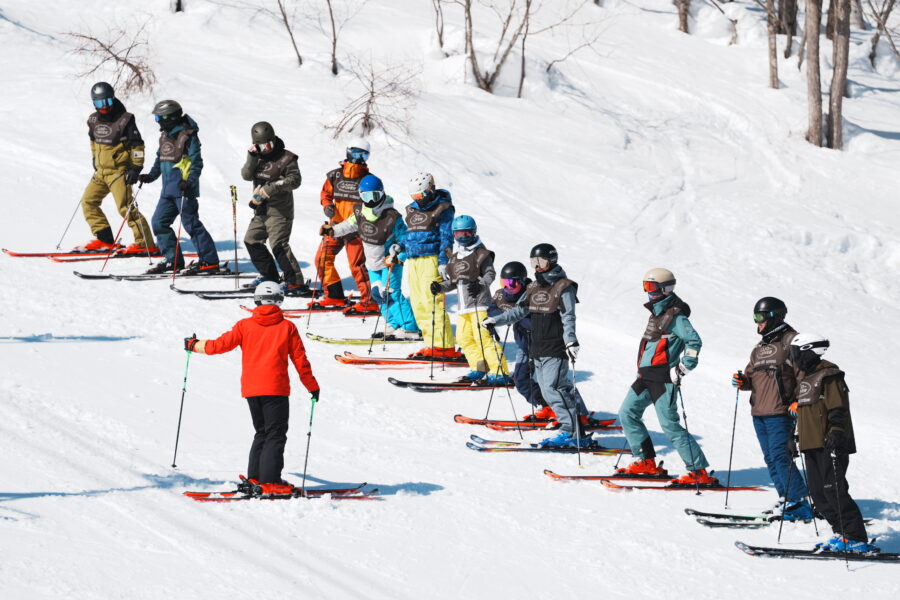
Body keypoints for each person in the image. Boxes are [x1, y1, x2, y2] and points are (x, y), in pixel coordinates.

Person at [184, 281, 320, 494]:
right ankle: (270, 481)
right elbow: (300, 360)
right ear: (280, 300)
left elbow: (218, 346)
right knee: (275, 433)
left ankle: (255, 477)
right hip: (275, 389)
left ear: (257, 300)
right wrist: (312, 386)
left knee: (262, 432)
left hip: (251, 390)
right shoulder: (287, 328)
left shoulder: (244, 326)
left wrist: (194, 345)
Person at [482, 243, 589, 447]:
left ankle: (572, 433)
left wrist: (571, 341)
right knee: (551, 389)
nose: (537, 267)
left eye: (540, 261)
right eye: (533, 262)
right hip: (536, 348)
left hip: (554, 347)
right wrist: (496, 320)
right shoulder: (532, 287)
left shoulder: (563, 287)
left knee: (553, 389)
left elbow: (568, 317)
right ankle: (575, 427)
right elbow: (519, 311)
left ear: (552, 260)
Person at [616, 268, 715, 484]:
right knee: (627, 413)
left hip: (663, 379)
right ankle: (645, 462)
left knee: (669, 426)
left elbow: (694, 342)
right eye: (646, 287)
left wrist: (684, 367)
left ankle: (699, 471)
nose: (648, 292)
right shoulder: (657, 314)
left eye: (651, 287)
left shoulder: (676, 316)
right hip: (645, 377)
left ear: (665, 289)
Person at [788, 333, 876, 553]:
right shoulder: (806, 379)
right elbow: (804, 414)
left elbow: (838, 407)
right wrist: (793, 437)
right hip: (810, 444)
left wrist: (836, 432)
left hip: (830, 443)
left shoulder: (829, 375)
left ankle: (855, 537)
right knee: (818, 495)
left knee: (834, 491)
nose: (794, 357)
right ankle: (841, 533)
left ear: (808, 351)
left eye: (796, 352)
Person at [732, 297, 813, 520]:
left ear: (774, 317)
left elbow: (804, 375)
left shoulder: (792, 341)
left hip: (781, 411)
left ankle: (799, 503)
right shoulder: (759, 348)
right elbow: (751, 377)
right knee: (770, 457)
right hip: (759, 412)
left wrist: (799, 400)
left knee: (781, 456)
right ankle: (786, 498)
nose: (756, 322)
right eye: (755, 317)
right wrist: (743, 382)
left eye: (760, 317)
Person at [323, 175, 420, 335]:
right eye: (366, 196)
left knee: (391, 294)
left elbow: (406, 239)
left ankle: (410, 327)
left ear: (381, 194)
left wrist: (398, 254)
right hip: (373, 264)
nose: (371, 200)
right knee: (378, 294)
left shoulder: (391, 216)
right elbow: (349, 225)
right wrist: (333, 230)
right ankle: (393, 323)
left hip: (390, 263)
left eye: (374, 195)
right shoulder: (361, 211)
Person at [140, 100, 220, 274]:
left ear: (170, 117)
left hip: (183, 190)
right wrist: (150, 176)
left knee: (191, 224)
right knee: (159, 223)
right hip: (167, 190)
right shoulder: (165, 135)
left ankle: (210, 261)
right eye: (156, 118)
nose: (158, 121)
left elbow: (196, 163)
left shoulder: (188, 135)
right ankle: (173, 260)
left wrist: (189, 182)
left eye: (159, 118)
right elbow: (159, 160)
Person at [77, 81, 156, 254]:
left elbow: (138, 145)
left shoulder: (125, 119)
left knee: (126, 207)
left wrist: (136, 168)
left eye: (107, 102)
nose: (104, 107)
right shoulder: (93, 120)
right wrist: (94, 159)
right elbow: (93, 141)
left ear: (113, 99)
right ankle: (105, 240)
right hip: (101, 172)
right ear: (94, 103)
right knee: (88, 202)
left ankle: (145, 244)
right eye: (99, 103)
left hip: (119, 172)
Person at [432, 216, 508, 384]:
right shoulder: (456, 257)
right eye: (459, 234)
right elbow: (453, 282)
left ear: (474, 232)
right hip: (463, 307)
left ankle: (500, 372)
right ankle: (479, 367)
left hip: (479, 304)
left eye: (467, 233)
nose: (463, 237)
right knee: (464, 338)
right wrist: (440, 287)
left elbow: (490, 274)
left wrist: (481, 285)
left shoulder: (481, 253)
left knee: (484, 337)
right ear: (454, 235)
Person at [240, 121, 310, 296]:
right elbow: (246, 175)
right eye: (261, 145)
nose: (266, 148)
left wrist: (270, 189)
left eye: (268, 143)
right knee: (251, 240)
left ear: (273, 139)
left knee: (278, 245)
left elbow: (295, 180)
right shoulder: (258, 157)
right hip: (261, 211)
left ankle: (295, 282)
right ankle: (270, 277)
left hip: (280, 212)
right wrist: (251, 157)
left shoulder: (287, 158)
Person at [315, 138, 376, 312]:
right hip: (336, 226)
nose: (359, 157)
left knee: (357, 266)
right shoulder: (335, 175)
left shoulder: (368, 179)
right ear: (349, 152)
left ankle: (369, 300)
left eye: (364, 154)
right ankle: (334, 295)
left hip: (356, 230)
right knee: (321, 259)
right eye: (356, 153)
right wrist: (327, 205)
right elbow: (325, 193)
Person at [404, 172, 460, 359]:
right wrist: (401, 248)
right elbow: (410, 235)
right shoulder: (411, 210)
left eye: (420, 195)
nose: (418, 200)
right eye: (415, 196)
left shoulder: (443, 207)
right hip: (413, 261)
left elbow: (447, 236)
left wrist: (444, 262)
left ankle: (444, 346)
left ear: (430, 189)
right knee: (418, 303)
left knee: (431, 302)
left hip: (432, 259)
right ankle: (431, 343)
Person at [487, 261, 548, 415]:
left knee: (551, 382)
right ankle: (545, 406)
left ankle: (570, 410)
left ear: (521, 281)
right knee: (521, 381)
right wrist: (508, 316)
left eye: (512, 282)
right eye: (504, 282)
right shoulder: (501, 295)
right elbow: (491, 310)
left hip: (541, 346)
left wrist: (515, 316)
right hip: (524, 346)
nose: (508, 286)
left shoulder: (532, 294)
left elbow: (536, 321)